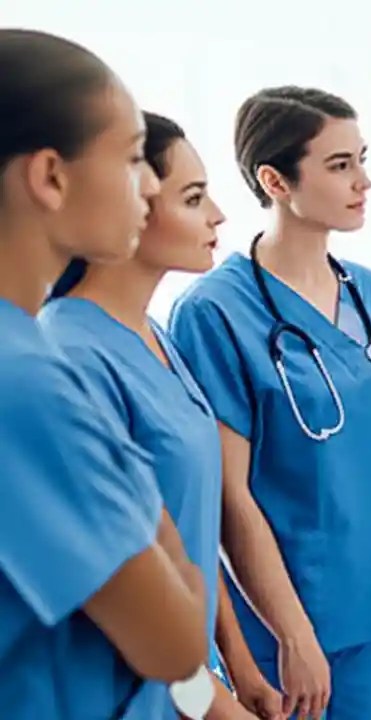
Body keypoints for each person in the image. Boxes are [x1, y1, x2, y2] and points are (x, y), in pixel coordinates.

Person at [167, 85, 371, 720]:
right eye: (340, 166)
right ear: (274, 180)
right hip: (278, 625)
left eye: (362, 159)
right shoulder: (215, 311)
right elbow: (229, 495)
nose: (363, 181)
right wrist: (291, 633)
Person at [38, 110, 285, 720]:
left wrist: (240, 665)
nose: (219, 215)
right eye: (194, 197)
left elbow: (188, 533)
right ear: (129, 205)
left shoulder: (153, 334)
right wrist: (216, 706)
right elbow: (112, 599)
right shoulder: (73, 357)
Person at [0, 29, 212, 718]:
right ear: (50, 176)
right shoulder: (29, 383)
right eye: (130, 158)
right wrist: (159, 532)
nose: (148, 184)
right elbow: (176, 642)